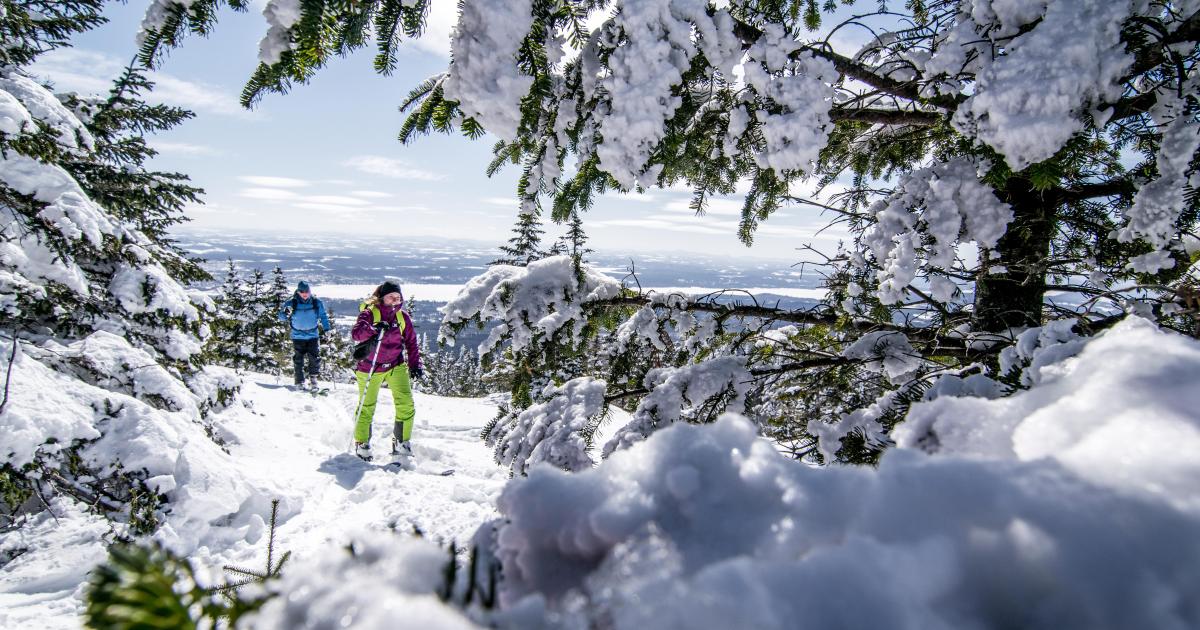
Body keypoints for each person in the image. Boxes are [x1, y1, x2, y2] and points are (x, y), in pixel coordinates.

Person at [350, 281, 423, 461]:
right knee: (367, 406)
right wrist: (374, 328)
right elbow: (356, 334)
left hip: (395, 365)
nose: (395, 300)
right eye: (391, 296)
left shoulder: (402, 317)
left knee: (406, 403)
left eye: (398, 297)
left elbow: (411, 342)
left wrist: (415, 365)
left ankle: (401, 442)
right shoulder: (370, 313)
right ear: (382, 297)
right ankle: (362, 443)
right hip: (370, 366)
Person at [277, 280, 331, 390]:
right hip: (297, 336)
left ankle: (313, 380)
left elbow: (323, 316)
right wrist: (284, 313)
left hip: (313, 335)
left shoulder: (316, 302)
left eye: (307, 291)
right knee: (298, 359)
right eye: (302, 292)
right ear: (298, 292)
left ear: (310, 291)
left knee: (314, 358)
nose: (305, 294)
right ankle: (299, 381)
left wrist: (327, 329)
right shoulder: (292, 303)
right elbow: (281, 318)